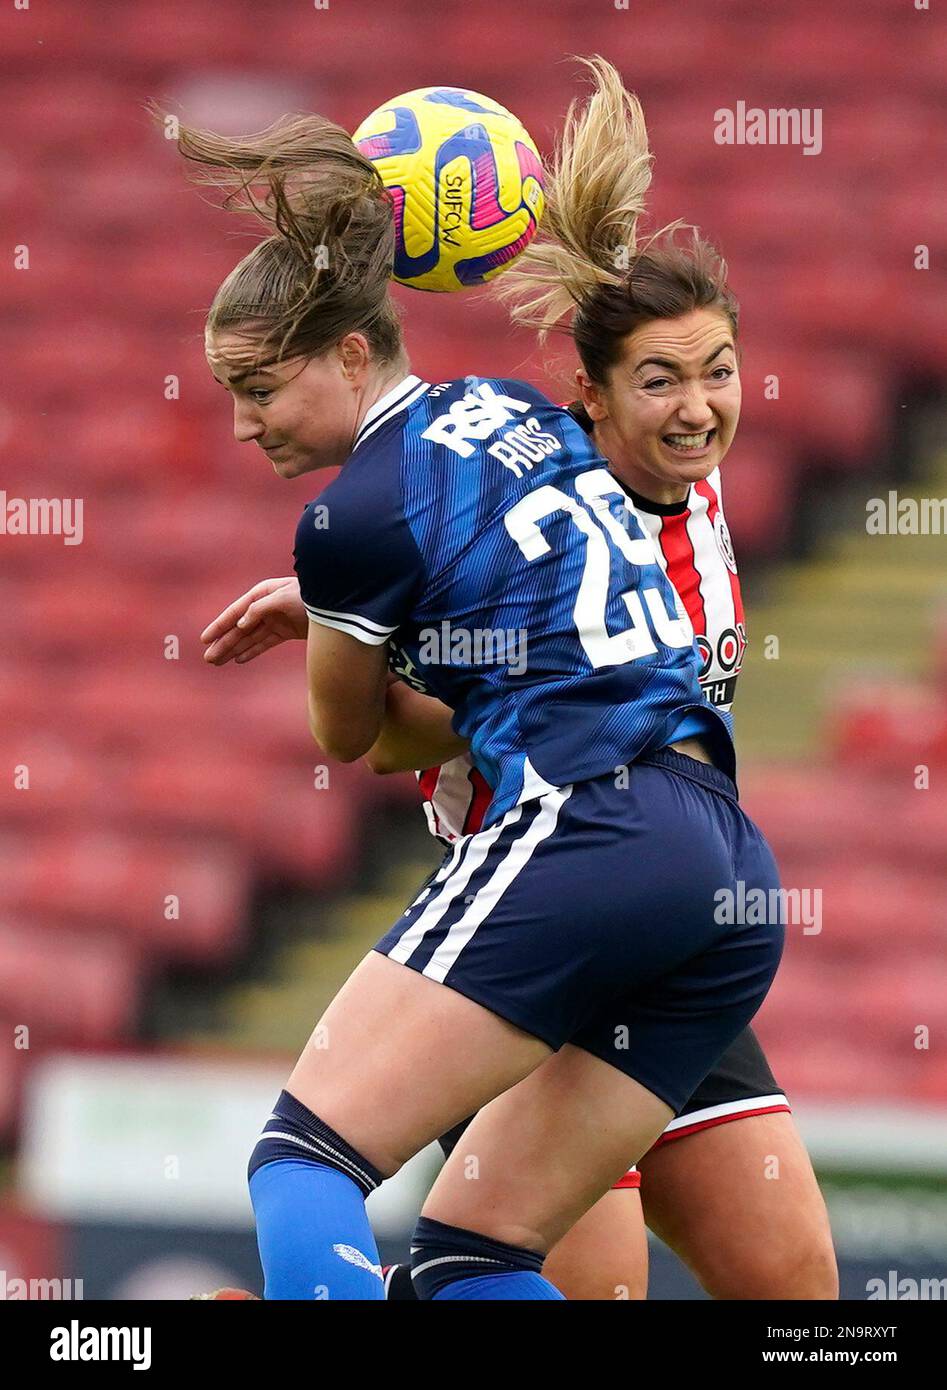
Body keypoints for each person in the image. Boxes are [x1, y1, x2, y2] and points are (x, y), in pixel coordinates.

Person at [202, 60, 835, 1301]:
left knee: (791, 1291)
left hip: (595, 869)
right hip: (574, 889)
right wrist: (371, 626)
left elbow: (400, 716)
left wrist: (355, 626)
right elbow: (440, 707)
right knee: (514, 1266)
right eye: (661, 380)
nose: (699, 407)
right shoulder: (541, 472)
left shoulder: (668, 516)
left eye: (717, 371)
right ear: (587, 402)